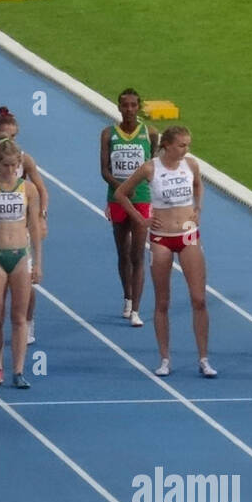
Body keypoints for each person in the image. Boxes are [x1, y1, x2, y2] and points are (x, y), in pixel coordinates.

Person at [114, 126, 217, 378]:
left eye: (188, 145)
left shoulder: (191, 165)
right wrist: (141, 219)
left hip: (188, 234)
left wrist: (198, 209)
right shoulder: (151, 168)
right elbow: (120, 193)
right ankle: (164, 359)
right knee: (162, 301)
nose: (186, 149)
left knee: (199, 299)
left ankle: (203, 358)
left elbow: (198, 186)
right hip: (161, 238)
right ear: (167, 145)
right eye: (182, 145)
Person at [0, 106, 49, 347]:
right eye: (3, 136)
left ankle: (28, 322)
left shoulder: (24, 159)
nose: (8, 141)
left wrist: (41, 216)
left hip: (20, 227)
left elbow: (41, 189)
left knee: (25, 281)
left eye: (13, 136)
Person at [0, 137, 43, 388]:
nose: (10, 170)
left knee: (19, 317)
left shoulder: (28, 189)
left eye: (14, 165)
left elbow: (34, 227)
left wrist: (38, 263)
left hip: (21, 255)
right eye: (5, 165)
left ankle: (18, 370)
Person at [99, 88, 157, 328]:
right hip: (117, 198)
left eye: (134, 105)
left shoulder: (150, 134)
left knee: (138, 254)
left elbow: (153, 167)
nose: (130, 109)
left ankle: (136, 310)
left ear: (139, 107)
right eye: (125, 105)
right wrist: (122, 188)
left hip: (142, 198)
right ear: (119, 107)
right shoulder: (108, 134)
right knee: (123, 252)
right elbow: (104, 170)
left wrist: (137, 187)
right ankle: (127, 296)